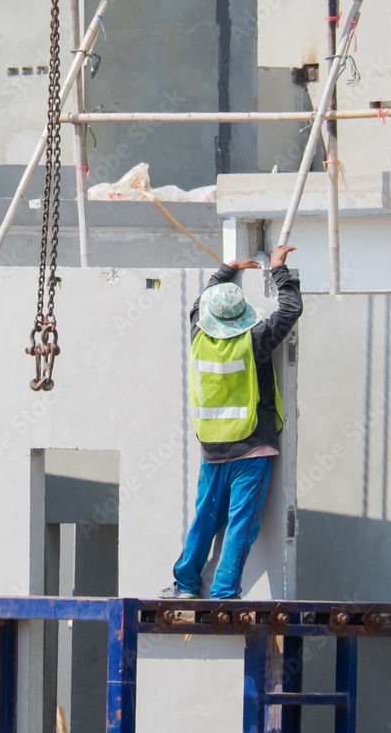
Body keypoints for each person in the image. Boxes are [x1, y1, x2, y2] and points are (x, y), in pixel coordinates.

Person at [160, 244, 301, 599]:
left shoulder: (197, 337)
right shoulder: (253, 341)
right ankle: (224, 592)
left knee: (204, 519)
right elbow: (290, 310)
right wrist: (279, 269)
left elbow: (198, 304)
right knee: (240, 524)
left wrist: (226, 269)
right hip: (252, 447)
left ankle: (186, 584)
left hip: (212, 448)